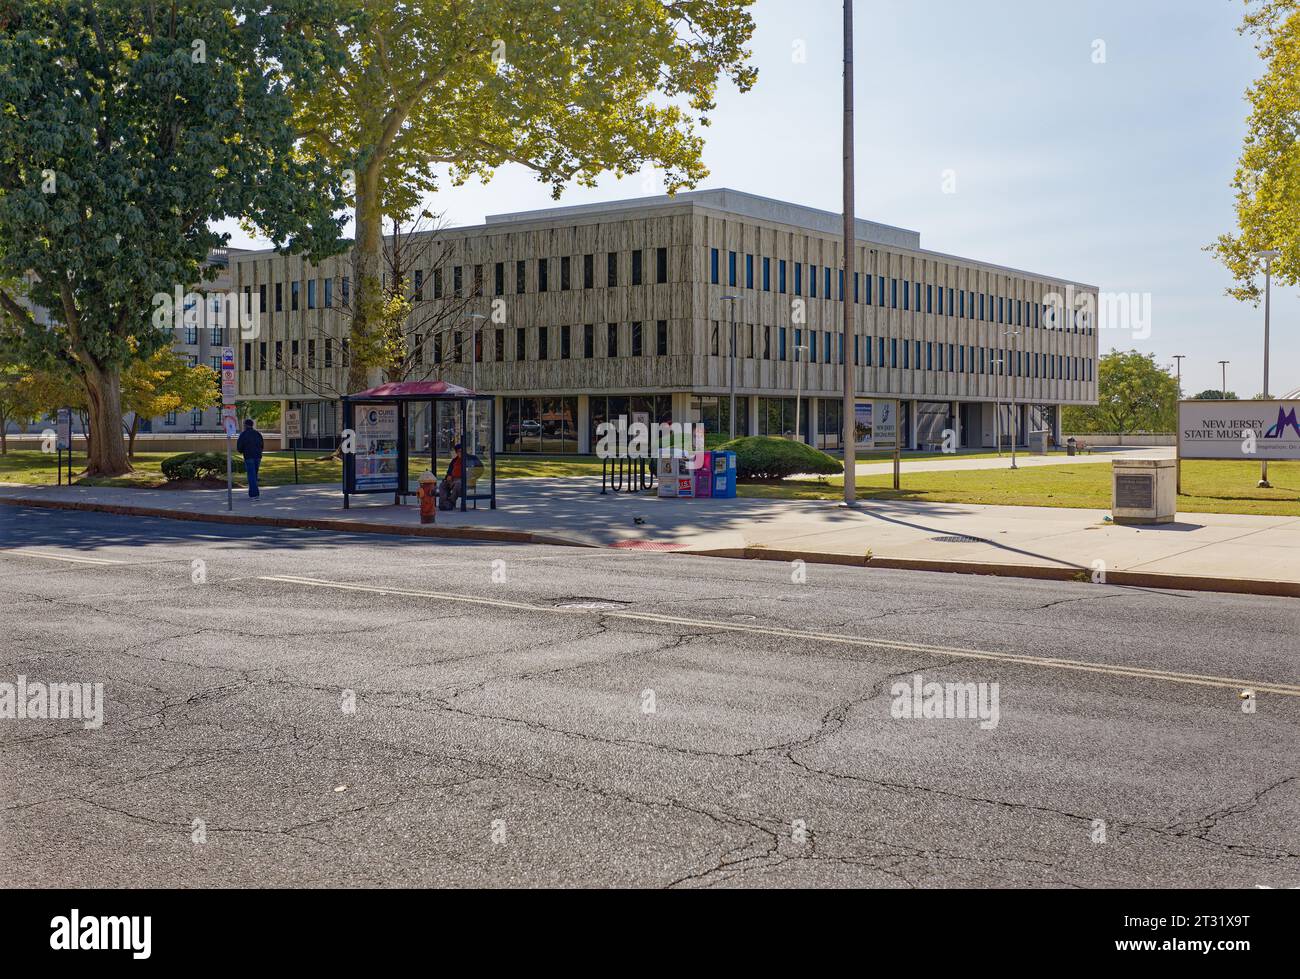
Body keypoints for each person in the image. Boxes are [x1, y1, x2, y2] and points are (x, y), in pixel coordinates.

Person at [236, 418, 264, 499]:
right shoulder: (258, 434)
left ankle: (254, 494)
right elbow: (262, 445)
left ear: (245, 425)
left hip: (249, 456)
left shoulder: (243, 434)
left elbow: (239, 447)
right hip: (258, 456)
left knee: (251, 475)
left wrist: (242, 450)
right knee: (254, 474)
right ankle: (254, 492)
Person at [438, 442, 464, 511]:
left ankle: (450, 502)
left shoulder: (469, 459)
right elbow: (449, 471)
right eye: (458, 451)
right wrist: (448, 476)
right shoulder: (454, 460)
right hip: (452, 479)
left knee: (458, 484)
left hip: (462, 480)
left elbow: (478, 469)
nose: (459, 453)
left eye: (461, 451)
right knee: (442, 485)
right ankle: (443, 503)